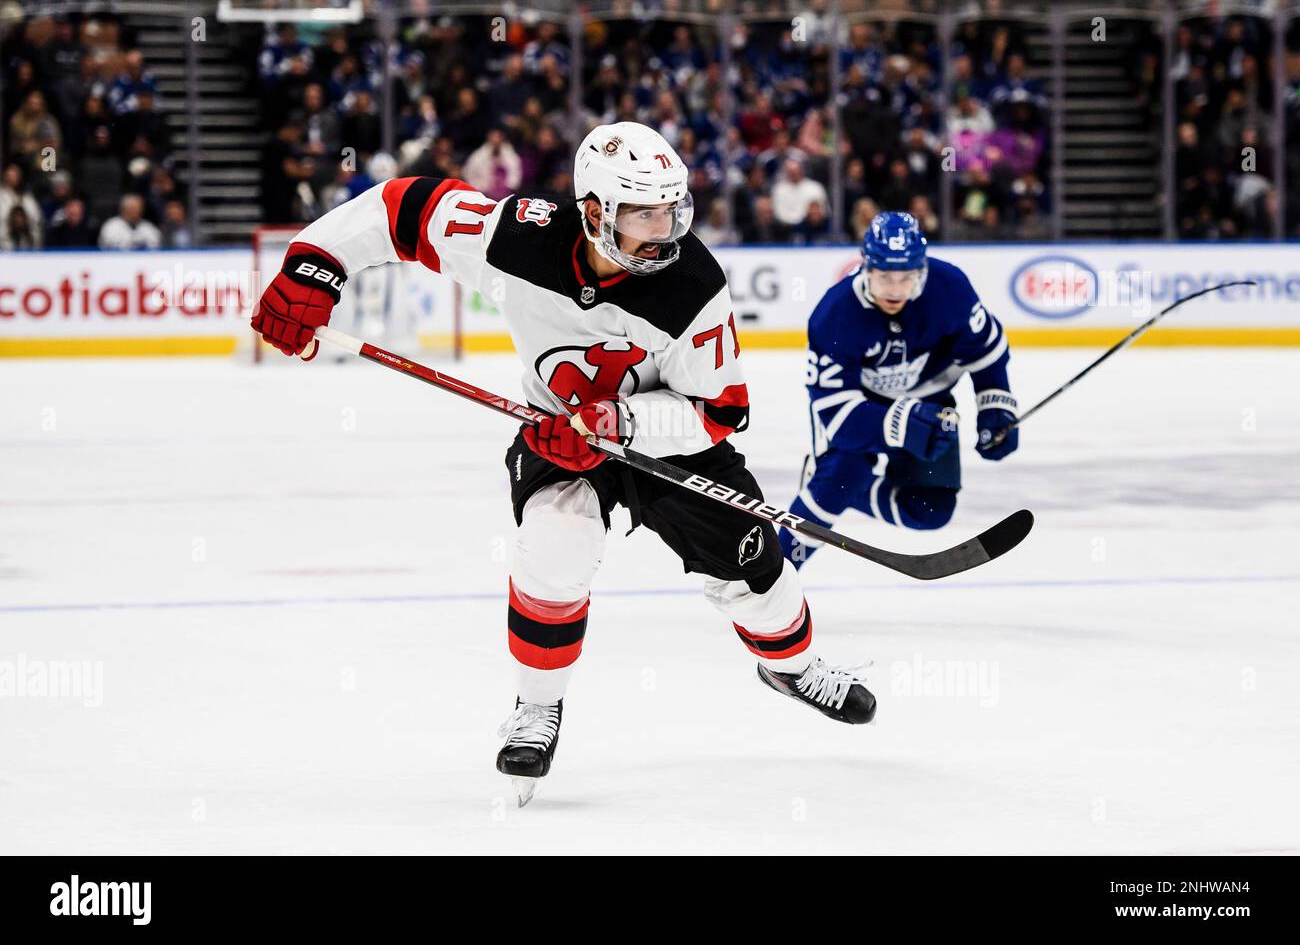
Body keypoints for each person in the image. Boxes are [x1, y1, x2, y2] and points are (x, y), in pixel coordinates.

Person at [250, 121, 877, 804]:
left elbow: (719, 409)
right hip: (557, 433)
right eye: (643, 211)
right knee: (556, 540)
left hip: (670, 441)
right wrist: (314, 263)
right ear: (594, 213)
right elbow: (400, 208)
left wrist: (621, 422)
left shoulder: (693, 282)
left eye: (671, 207)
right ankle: (537, 706)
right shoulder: (516, 237)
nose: (664, 226)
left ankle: (794, 668)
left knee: (756, 572)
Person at [779, 212, 1019, 569]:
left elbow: (987, 353)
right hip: (861, 408)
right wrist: (899, 424)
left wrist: (994, 407)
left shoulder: (949, 289)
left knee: (930, 511)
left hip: (929, 400)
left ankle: (845, 486)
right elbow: (835, 414)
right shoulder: (834, 314)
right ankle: (775, 571)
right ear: (866, 268)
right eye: (884, 277)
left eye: (906, 277)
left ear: (920, 270)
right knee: (841, 478)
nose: (895, 289)